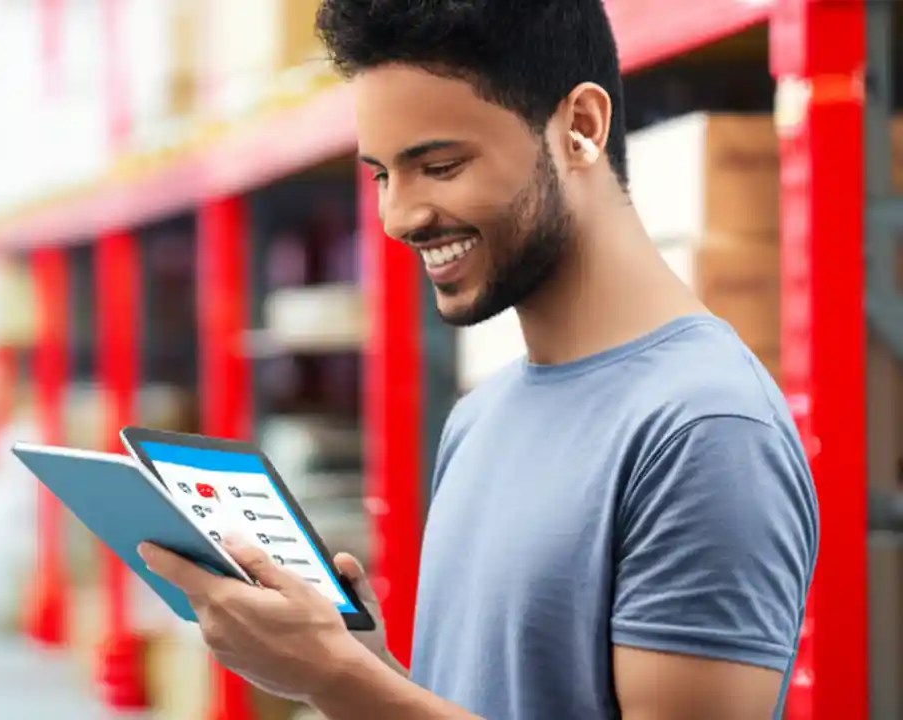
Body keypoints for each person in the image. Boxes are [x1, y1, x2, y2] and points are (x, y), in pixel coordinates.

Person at [139, 1, 818, 718]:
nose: (400, 217)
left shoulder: (706, 429)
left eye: (439, 165)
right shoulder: (481, 417)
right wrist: (365, 668)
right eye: (381, 176)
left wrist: (337, 680)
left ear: (581, 129)